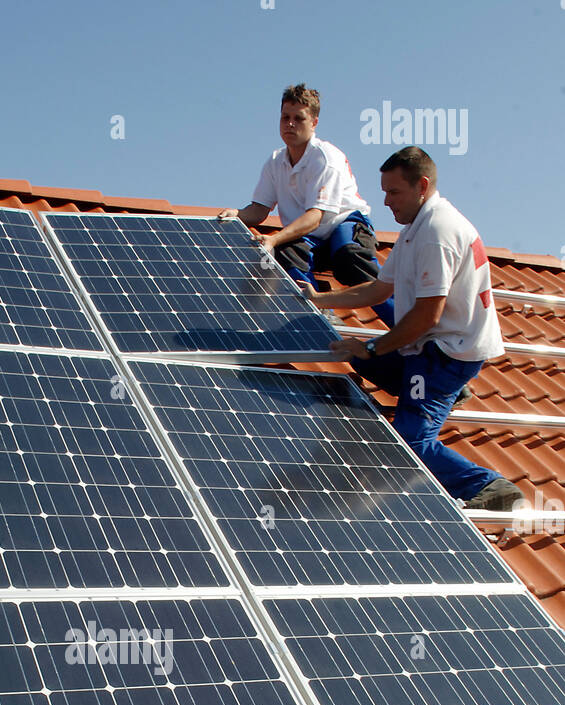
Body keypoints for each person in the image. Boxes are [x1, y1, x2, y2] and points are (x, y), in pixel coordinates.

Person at [300, 146, 520, 511]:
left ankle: (491, 486)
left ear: (422, 185)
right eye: (384, 191)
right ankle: (435, 390)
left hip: (446, 353)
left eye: (394, 192)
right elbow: (378, 288)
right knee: (358, 357)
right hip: (432, 342)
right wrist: (318, 299)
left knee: (410, 441)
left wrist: (373, 346)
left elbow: (425, 317)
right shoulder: (415, 229)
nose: (385, 201)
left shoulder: (437, 231)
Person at [218, 83, 394, 325]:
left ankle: (403, 318)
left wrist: (275, 238)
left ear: (314, 122)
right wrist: (236, 214)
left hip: (342, 221)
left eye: (298, 118)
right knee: (287, 253)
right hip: (311, 236)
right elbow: (259, 209)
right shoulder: (275, 162)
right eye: (285, 117)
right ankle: (315, 316)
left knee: (349, 256)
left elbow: (316, 216)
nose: (290, 124)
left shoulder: (325, 158)